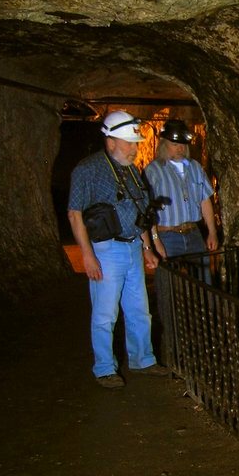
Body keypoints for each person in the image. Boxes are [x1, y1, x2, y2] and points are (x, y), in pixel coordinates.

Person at [67, 110, 169, 388]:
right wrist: (87, 255)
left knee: (139, 311)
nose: (135, 149)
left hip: (133, 247)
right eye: (129, 143)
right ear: (110, 141)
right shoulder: (87, 170)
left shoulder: (131, 171)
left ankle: (143, 360)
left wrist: (147, 246)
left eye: (135, 143)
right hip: (106, 250)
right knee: (105, 314)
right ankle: (104, 368)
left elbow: (141, 211)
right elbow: (75, 214)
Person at [144, 119, 218, 262]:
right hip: (167, 236)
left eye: (183, 144)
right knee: (170, 282)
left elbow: (205, 201)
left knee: (202, 280)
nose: (180, 149)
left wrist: (212, 232)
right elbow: (148, 209)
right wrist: (155, 240)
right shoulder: (153, 171)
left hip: (193, 233)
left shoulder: (195, 167)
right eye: (175, 144)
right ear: (164, 144)